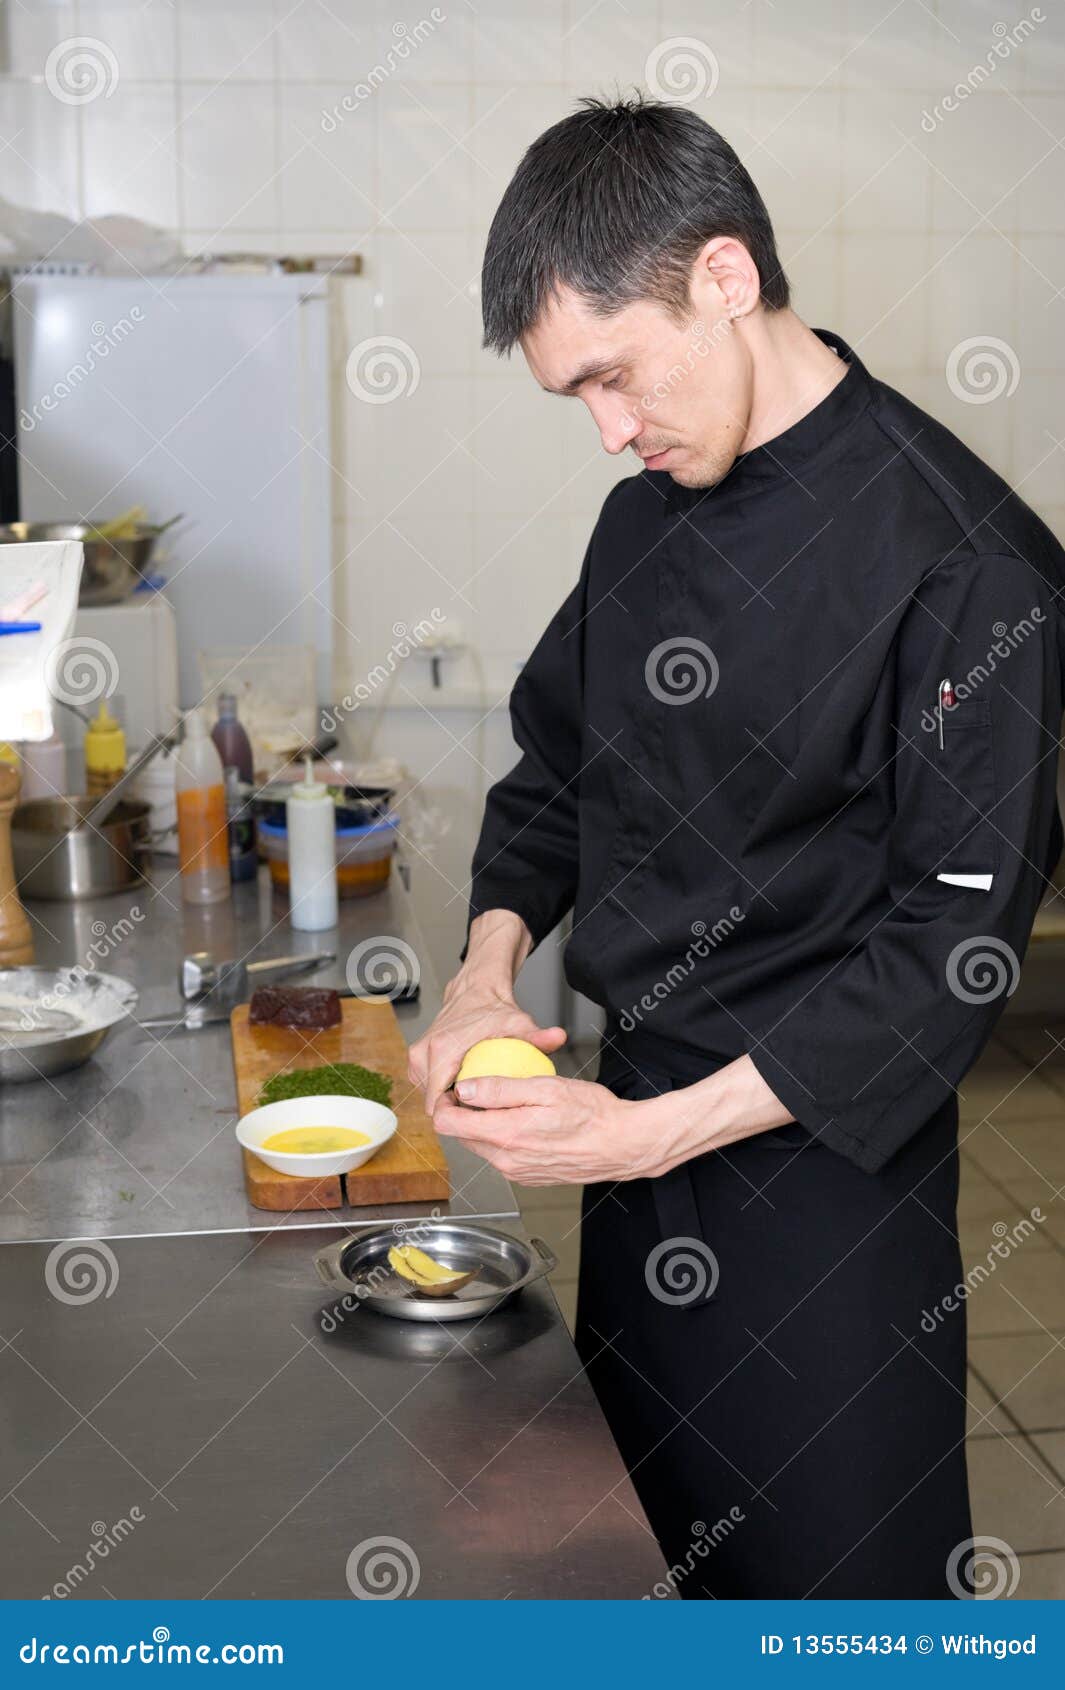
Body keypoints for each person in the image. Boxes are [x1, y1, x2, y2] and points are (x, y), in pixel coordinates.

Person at [409, 93, 1065, 1598]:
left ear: (721, 275)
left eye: (613, 377)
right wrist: (483, 970)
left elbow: (938, 959)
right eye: (572, 396)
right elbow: (554, 773)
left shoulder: (963, 563)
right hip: (633, 1174)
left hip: (822, 1202)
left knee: (832, 1605)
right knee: (640, 1578)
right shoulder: (646, 512)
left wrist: (647, 1130)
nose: (609, 429)